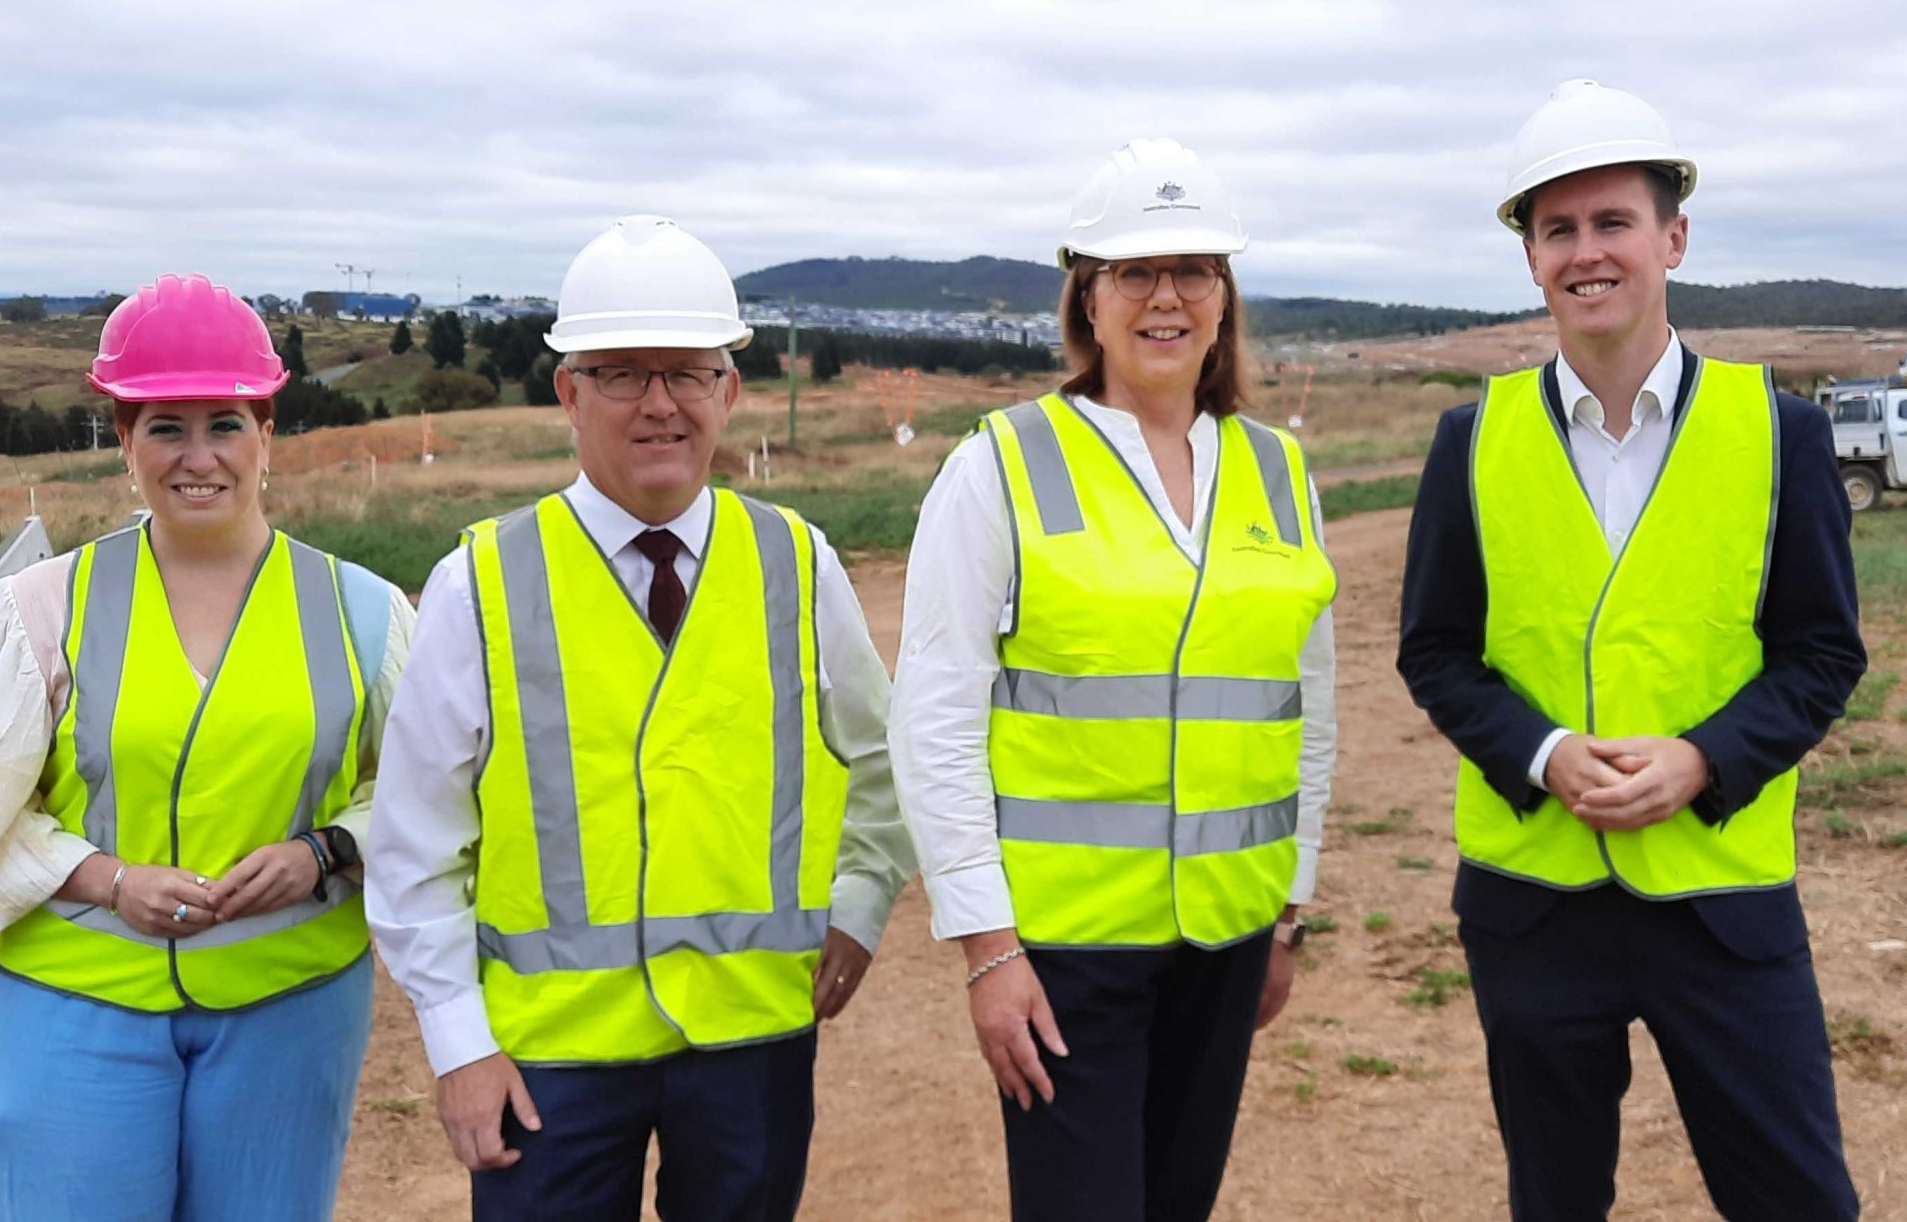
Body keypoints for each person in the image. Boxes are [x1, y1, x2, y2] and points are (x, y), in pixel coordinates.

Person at [367, 215, 914, 1222]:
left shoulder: (798, 564)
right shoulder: (479, 584)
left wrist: (863, 897)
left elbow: (885, 758)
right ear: (569, 391)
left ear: (729, 391)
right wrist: (457, 1041)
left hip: (750, 1038)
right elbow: (411, 842)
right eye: (622, 373)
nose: (659, 403)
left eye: (688, 372)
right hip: (549, 1053)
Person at [1396, 80, 1865, 1222]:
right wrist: (1544, 750)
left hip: (1721, 903)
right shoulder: (1470, 441)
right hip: (1531, 908)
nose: (1585, 253)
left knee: (1799, 1200)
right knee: (1553, 1203)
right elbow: (1435, 650)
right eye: (1556, 229)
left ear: (1672, 235)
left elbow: (1818, 653)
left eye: (1612, 223)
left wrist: (1701, 760)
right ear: (1528, 256)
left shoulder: (1780, 434)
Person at [0, 273, 415, 1221]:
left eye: (225, 422)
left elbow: (427, 798)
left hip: (290, 1012)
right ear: (123, 439)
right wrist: (107, 880)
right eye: (166, 426)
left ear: (267, 433)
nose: (198, 455)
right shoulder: (36, 612)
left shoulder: (367, 613)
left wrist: (324, 851)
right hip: (75, 1005)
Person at [892, 139, 1339, 1221]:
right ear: (1085, 301)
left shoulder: (1279, 473)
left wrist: (1286, 911)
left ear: (1223, 299)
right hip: (1064, 952)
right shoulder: (997, 464)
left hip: (1226, 938)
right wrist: (986, 950)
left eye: (1192, 269)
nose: (1165, 297)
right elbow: (934, 715)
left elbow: (1304, 702)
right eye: (1132, 272)